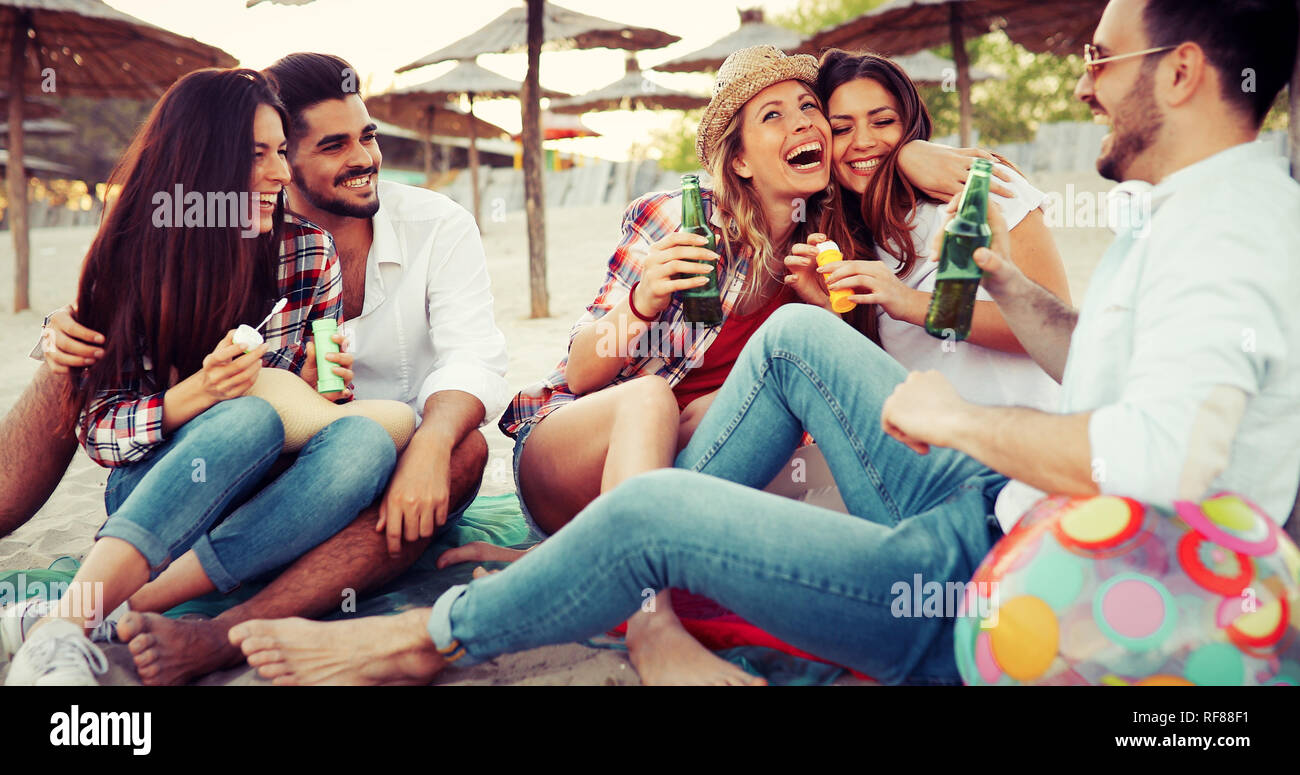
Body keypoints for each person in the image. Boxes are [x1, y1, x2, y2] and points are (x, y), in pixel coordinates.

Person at [230, 0, 1300, 686]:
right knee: (771, 344)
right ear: (735, 154)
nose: (1081, 83)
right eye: (795, 119)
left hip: (1004, 566)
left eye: (1104, 61)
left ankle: (427, 638)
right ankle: (632, 567)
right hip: (955, 494)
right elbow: (1085, 356)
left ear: (1181, 72)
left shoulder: (1223, 233)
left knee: (653, 503)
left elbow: (1164, 461)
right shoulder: (1191, 207)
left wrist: (959, 412)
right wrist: (1009, 288)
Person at [438, 46, 1016, 685]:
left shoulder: (825, 242)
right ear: (739, 158)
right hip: (573, 449)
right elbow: (580, 373)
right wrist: (642, 299)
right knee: (651, 398)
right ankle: (649, 624)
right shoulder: (679, 219)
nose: (803, 125)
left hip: (671, 477)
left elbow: (846, 399)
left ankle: (568, 563)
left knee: (782, 443)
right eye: (772, 116)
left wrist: (831, 308)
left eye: (807, 108)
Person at [14, 52, 509, 685]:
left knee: (361, 438)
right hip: (168, 488)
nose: (362, 158)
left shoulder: (312, 250)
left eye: (367, 136)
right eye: (262, 155)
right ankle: (80, 618)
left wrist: (318, 392)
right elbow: (99, 430)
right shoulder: (136, 256)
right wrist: (192, 395)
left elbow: (450, 363)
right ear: (205, 162)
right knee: (247, 419)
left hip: (291, 489)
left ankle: (110, 610)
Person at [784, 49, 1069, 412]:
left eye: (883, 121)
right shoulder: (845, 241)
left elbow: (1056, 332)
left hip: (1029, 444)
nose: (862, 142)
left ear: (909, 123)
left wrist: (909, 303)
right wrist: (830, 313)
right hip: (929, 455)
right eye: (842, 129)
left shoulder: (979, 185)